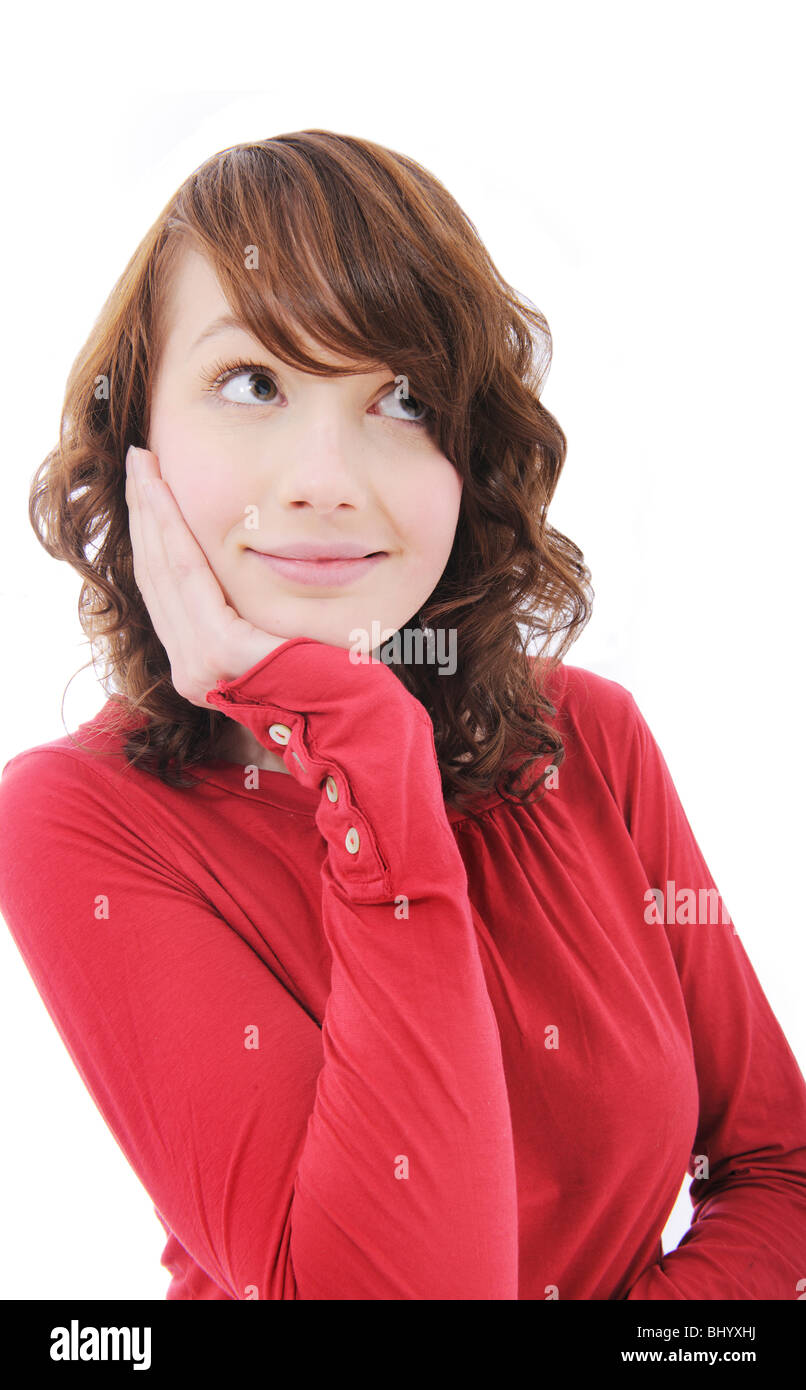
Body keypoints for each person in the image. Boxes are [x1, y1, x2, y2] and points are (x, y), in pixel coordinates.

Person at [1, 129, 804, 1301]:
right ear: (138, 446)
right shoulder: (82, 821)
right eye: (251, 382)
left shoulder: (587, 743)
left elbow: (779, 1171)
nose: (326, 475)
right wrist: (359, 740)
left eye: (403, 397)